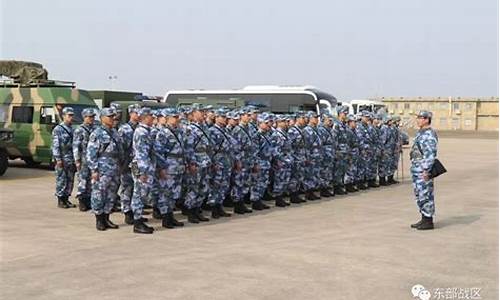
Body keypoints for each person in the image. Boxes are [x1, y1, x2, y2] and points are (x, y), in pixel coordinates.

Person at [86, 108, 123, 231]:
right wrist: (94, 170)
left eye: (113, 116)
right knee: (99, 194)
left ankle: (107, 217)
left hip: (115, 169)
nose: (112, 119)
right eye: (109, 116)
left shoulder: (115, 133)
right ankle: (99, 219)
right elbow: (91, 154)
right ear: (102, 118)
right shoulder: (97, 134)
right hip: (102, 169)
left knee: (111, 195)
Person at [154, 108, 185, 228]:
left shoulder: (178, 131)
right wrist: (161, 168)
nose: (177, 119)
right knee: (166, 193)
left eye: (178, 117)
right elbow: (159, 152)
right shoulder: (162, 133)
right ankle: (166, 218)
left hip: (178, 166)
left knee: (174, 193)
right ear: (167, 118)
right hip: (168, 167)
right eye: (175, 117)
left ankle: (171, 216)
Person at [410, 110, 438, 230]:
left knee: (425, 194)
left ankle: (428, 221)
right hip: (417, 168)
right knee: (420, 194)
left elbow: (430, 155)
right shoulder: (421, 133)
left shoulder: (429, 135)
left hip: (423, 170)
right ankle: (423, 218)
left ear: (427, 119)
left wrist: (426, 170)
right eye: (418, 117)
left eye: (421, 118)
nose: (418, 120)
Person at [184, 104, 212, 223]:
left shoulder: (204, 127)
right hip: (196, 160)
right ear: (193, 113)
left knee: (204, 187)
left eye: (204, 111)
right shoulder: (189, 129)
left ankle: (197, 208)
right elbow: (188, 148)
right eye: (200, 111)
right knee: (194, 187)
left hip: (205, 159)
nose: (203, 113)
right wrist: (191, 162)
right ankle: (191, 211)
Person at [130, 107, 157, 234]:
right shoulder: (141, 132)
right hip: (141, 168)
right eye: (151, 116)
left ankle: (139, 220)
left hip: (145, 166)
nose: (153, 118)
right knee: (139, 195)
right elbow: (141, 154)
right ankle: (137, 223)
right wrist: (143, 172)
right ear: (145, 117)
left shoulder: (147, 131)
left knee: (143, 194)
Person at [207, 108, 233, 218]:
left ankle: (219, 205)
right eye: (222, 117)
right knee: (216, 184)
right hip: (218, 159)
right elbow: (211, 148)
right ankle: (214, 208)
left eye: (225, 117)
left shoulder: (225, 130)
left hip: (226, 159)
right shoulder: (212, 130)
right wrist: (214, 162)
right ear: (216, 118)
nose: (224, 119)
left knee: (224, 184)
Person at [118, 104, 140, 224]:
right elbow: (121, 148)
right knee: (127, 187)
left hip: (136, 163)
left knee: (136, 187)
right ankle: (127, 211)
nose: (138, 115)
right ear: (131, 113)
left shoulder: (140, 128)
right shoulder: (124, 129)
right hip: (127, 162)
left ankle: (135, 210)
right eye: (136, 113)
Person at [52, 107, 77, 209]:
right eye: (69, 115)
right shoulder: (58, 129)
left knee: (70, 180)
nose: (71, 118)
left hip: (71, 159)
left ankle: (66, 198)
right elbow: (55, 145)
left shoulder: (73, 129)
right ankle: (61, 200)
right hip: (62, 158)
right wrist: (58, 159)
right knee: (61, 179)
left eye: (72, 115)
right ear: (63, 116)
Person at [73, 108, 96, 211]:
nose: (91, 118)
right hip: (83, 160)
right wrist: (77, 160)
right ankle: (82, 200)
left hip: (93, 160)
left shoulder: (96, 129)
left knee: (92, 181)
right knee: (83, 180)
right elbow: (76, 146)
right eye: (89, 117)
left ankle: (89, 200)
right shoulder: (79, 130)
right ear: (84, 117)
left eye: (93, 117)